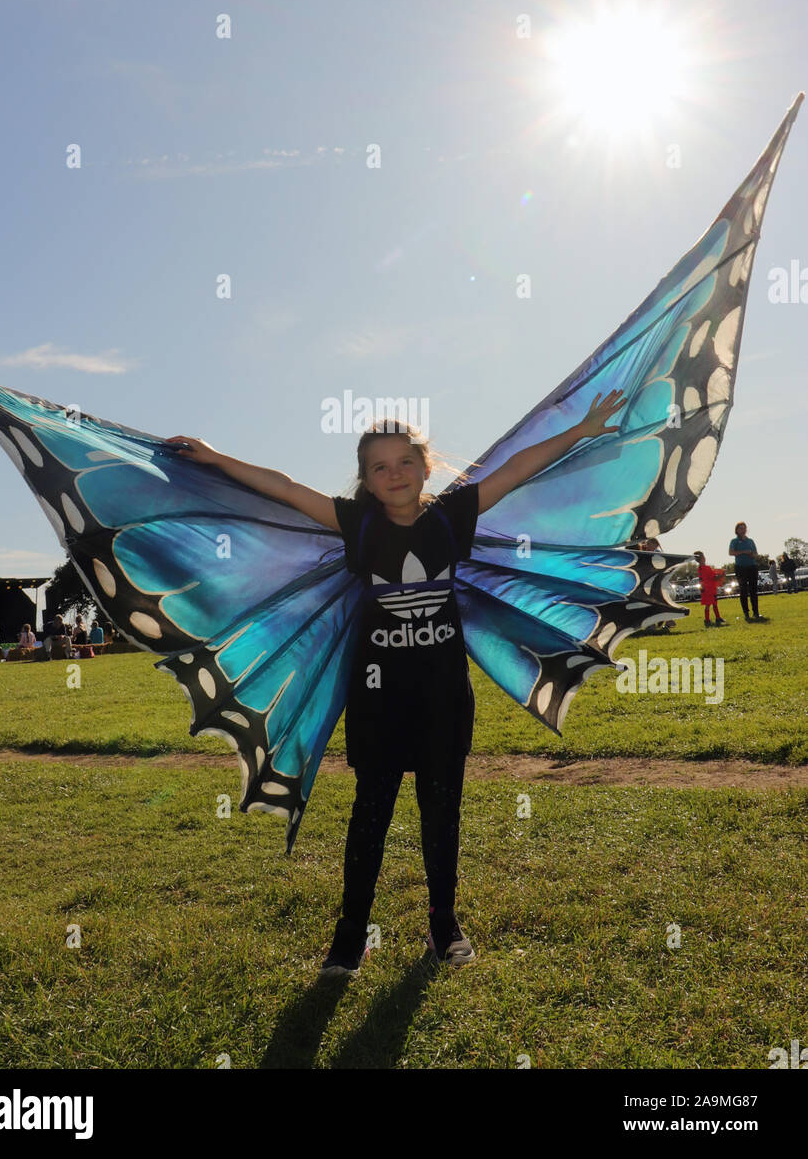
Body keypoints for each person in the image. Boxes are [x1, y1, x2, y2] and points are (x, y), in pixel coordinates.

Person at [166, 389, 626, 978]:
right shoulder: (356, 522)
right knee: (371, 812)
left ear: (425, 466)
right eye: (379, 467)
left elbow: (515, 470)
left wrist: (580, 430)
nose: (394, 474)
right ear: (365, 478)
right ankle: (350, 936)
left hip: (442, 697)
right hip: (378, 698)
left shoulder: (451, 516)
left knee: (442, 813)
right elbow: (283, 487)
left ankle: (444, 925)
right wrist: (217, 457)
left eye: (405, 462)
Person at [729, 522, 765, 623]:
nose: (743, 530)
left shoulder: (750, 541)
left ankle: (756, 612)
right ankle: (746, 613)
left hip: (752, 567)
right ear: (737, 530)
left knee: (754, 590)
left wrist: (753, 555)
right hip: (740, 568)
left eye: (744, 528)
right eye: (740, 528)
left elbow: (756, 554)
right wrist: (743, 552)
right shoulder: (734, 541)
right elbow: (731, 552)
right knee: (743, 591)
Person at [694, 552, 725, 627]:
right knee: (711, 604)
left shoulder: (700, 569)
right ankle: (708, 619)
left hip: (706, 589)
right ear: (702, 559)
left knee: (712, 604)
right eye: (703, 557)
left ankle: (715, 618)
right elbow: (714, 578)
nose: (704, 558)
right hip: (710, 589)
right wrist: (722, 575)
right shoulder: (706, 568)